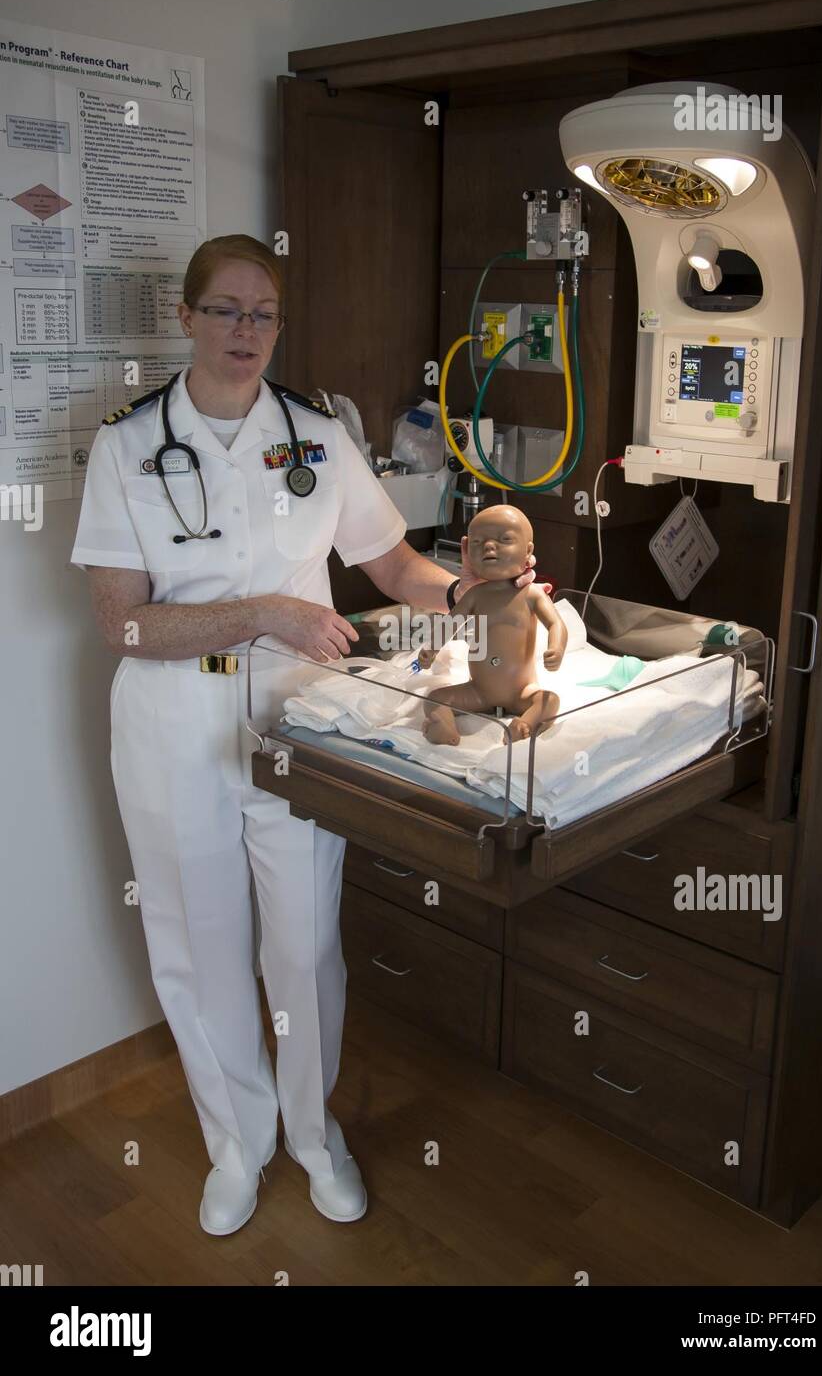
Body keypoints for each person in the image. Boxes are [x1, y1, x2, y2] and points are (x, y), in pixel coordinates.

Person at [70, 233, 546, 1236]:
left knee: (303, 946)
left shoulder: (318, 434)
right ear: (186, 316)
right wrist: (261, 611)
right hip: (171, 720)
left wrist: (466, 590)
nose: (246, 331)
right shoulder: (125, 444)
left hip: (298, 715)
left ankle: (309, 1133)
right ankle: (235, 1146)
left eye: (264, 313)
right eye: (226, 310)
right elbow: (122, 621)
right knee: (198, 949)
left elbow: (387, 565)